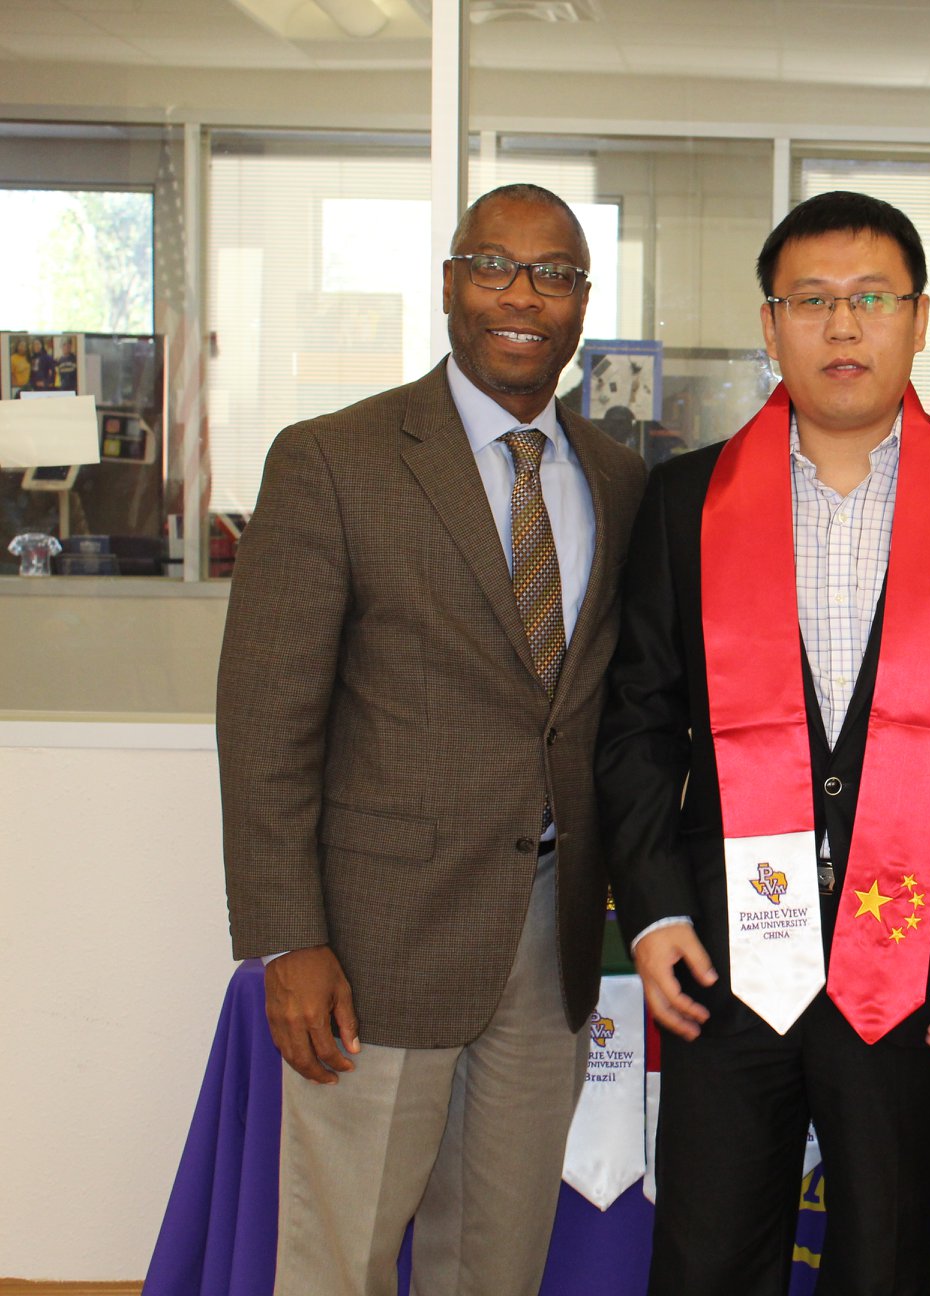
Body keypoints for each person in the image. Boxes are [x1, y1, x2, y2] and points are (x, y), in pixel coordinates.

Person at [598, 190, 930, 1294]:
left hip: (914, 951)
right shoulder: (688, 505)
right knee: (709, 1253)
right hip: (724, 956)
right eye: (811, 301)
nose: (844, 327)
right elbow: (632, 722)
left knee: (885, 1256)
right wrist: (657, 908)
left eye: (873, 299)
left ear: (919, 318)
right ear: (771, 326)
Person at [217, 182, 646, 1294]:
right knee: (339, 1261)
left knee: (497, 1264)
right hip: (373, 947)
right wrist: (287, 939)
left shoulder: (621, 479)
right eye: (494, 265)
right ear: (452, 284)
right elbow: (267, 723)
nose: (522, 294)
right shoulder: (334, 461)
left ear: (582, 304)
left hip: (553, 938)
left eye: (552, 274)